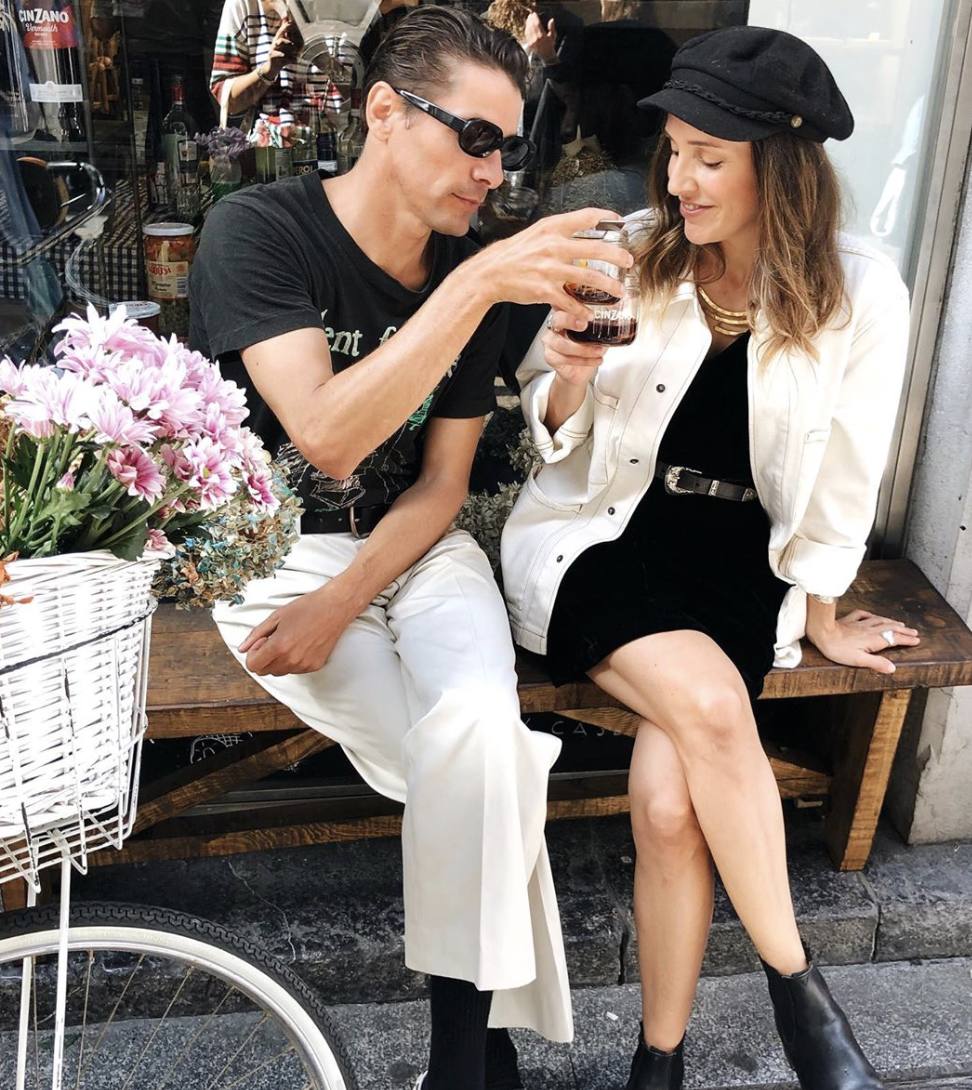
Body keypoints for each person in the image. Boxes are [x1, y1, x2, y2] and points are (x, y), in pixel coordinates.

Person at [188, 8, 631, 1089]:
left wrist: (348, 600)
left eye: (509, 147)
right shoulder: (259, 231)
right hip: (274, 552)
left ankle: (459, 1065)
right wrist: (475, 286)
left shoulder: (471, 267)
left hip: (419, 550)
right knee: (479, 768)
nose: (493, 171)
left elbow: (440, 486)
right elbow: (327, 434)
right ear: (384, 111)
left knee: (475, 741)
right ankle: (475, 1052)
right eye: (473, 137)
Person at [501, 25, 917, 1090]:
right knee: (718, 714)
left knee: (669, 803)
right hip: (606, 535)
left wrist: (821, 610)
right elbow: (548, 437)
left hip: (740, 561)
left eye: (709, 158)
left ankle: (660, 1063)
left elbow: (845, 478)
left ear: (780, 168)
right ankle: (803, 999)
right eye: (675, 150)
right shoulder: (633, 252)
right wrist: (565, 374)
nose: (679, 179)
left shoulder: (861, 291)